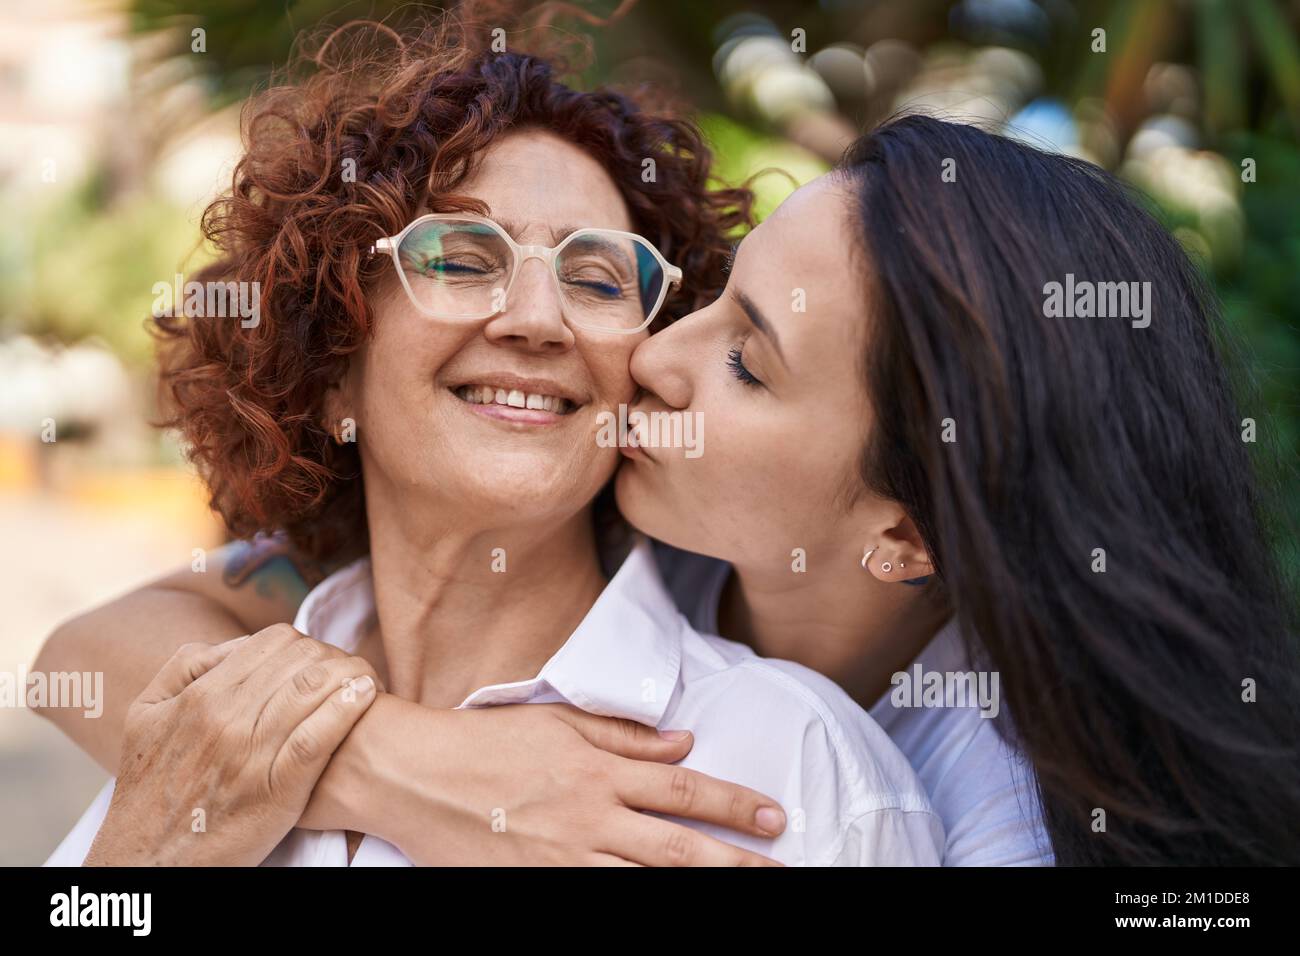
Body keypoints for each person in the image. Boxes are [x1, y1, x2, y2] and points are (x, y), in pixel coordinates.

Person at [40, 21, 946, 868]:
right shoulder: (208, 720)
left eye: (596, 277)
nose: (538, 319)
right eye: (463, 259)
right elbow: (66, 657)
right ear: (327, 367)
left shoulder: (788, 764)